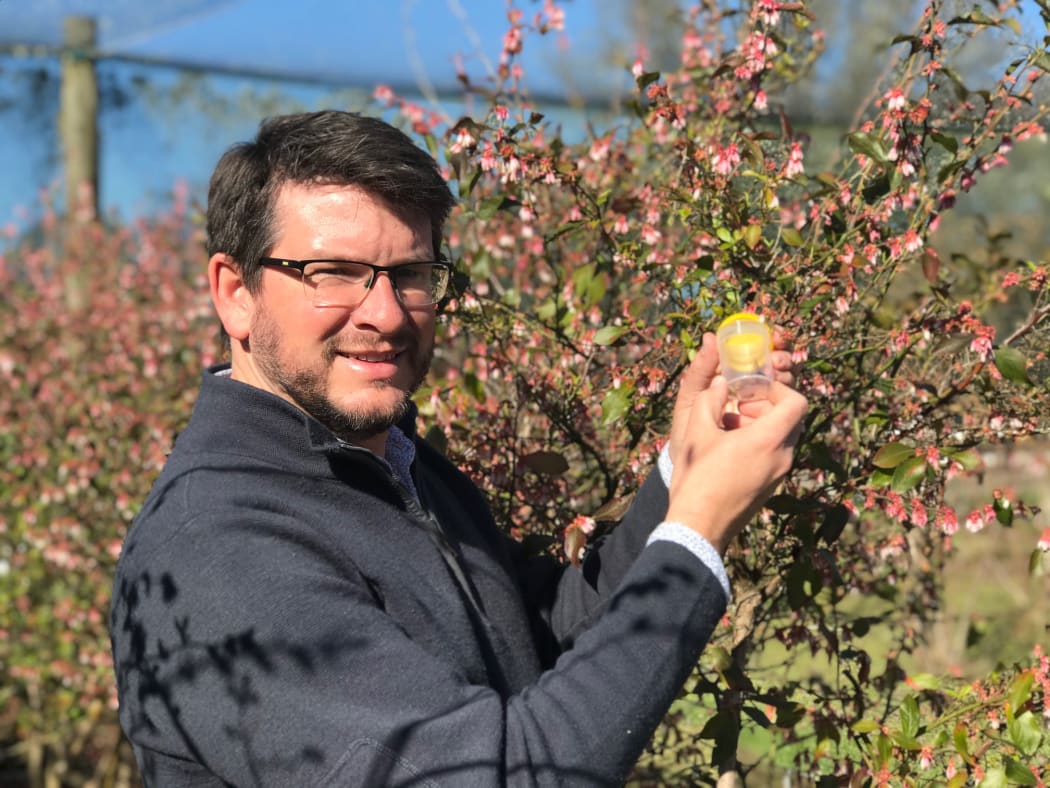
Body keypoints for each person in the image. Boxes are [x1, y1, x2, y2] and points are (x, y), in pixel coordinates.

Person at [109, 110, 807, 787]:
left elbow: (539, 637)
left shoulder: (392, 466)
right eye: (335, 272)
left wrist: (685, 467)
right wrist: (700, 529)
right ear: (236, 293)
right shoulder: (224, 550)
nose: (384, 313)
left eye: (410, 274)